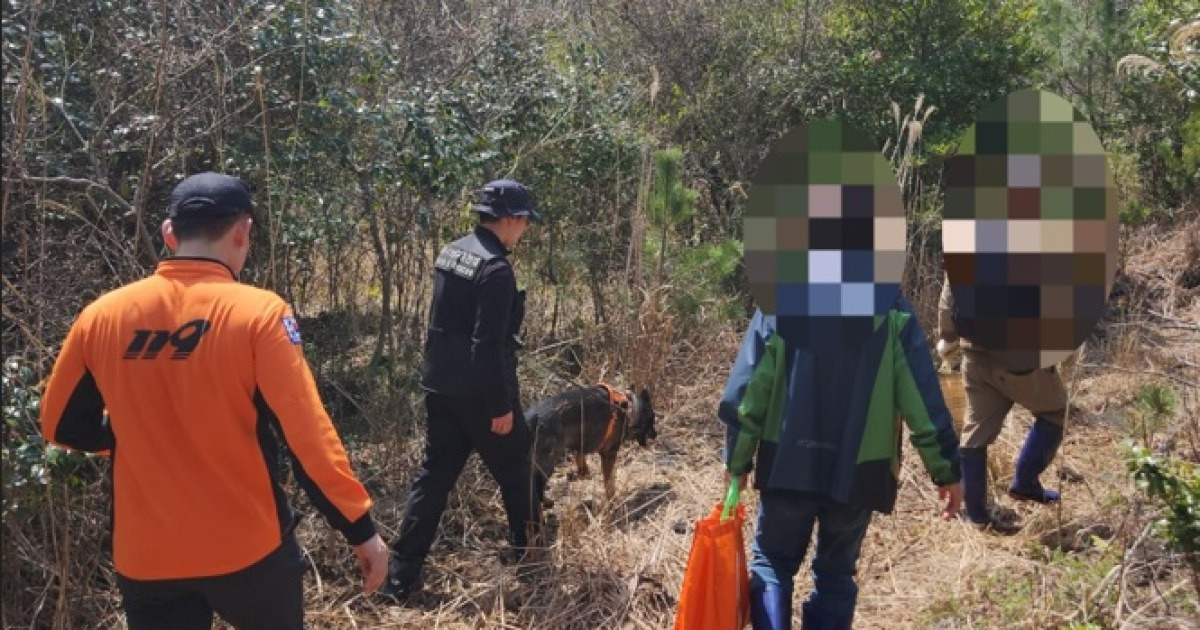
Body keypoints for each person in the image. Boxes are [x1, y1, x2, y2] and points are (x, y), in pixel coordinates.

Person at [40, 172, 389, 629]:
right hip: (248, 551)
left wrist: (134, 431)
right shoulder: (259, 314)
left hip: (147, 556)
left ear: (169, 234)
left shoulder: (101, 315)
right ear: (243, 231)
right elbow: (307, 438)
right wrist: (360, 532)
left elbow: (59, 425)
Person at [720, 299, 964, 630]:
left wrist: (738, 458)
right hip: (860, 471)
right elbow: (921, 399)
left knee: (772, 564)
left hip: (787, 462)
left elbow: (749, 391)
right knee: (836, 575)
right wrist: (945, 467)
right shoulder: (893, 311)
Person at [383, 179, 541, 599]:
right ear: (509, 220)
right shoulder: (496, 269)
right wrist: (501, 405)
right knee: (518, 469)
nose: (524, 229)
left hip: (439, 386)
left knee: (433, 478)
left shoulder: (452, 252)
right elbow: (485, 344)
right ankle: (531, 559)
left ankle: (400, 576)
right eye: (524, 220)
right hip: (480, 396)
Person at [937, 276, 1067, 530]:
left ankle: (976, 514)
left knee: (974, 433)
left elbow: (946, 303)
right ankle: (1025, 484)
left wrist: (948, 338)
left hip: (975, 358)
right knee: (1055, 412)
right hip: (1019, 356)